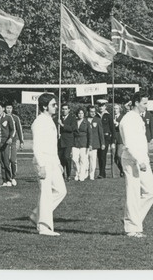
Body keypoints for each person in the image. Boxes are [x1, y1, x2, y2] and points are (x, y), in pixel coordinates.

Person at [120, 91, 153, 238]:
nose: (146, 106)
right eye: (144, 103)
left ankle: (130, 220)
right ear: (136, 103)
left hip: (141, 160)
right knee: (133, 193)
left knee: (152, 191)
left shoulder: (137, 118)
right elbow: (129, 144)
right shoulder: (129, 119)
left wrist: (144, 160)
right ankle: (131, 228)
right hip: (132, 160)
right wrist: (139, 160)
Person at [29, 93, 67, 236]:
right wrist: (41, 166)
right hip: (43, 160)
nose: (56, 107)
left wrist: (57, 163)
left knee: (61, 190)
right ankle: (44, 227)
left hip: (52, 160)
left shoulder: (50, 120)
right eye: (53, 104)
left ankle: (37, 214)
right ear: (45, 106)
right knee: (45, 193)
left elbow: (52, 145)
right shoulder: (39, 122)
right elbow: (37, 146)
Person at [0, 103, 16, 186]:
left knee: (6, 162)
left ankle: (10, 178)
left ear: (3, 109)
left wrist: (11, 138)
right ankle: (3, 180)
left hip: (6, 143)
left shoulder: (8, 117)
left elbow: (13, 129)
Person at [85, 105, 105, 180]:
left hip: (95, 143)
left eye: (94, 112)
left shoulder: (98, 120)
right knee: (85, 160)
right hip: (85, 143)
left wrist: (102, 143)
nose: (93, 113)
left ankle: (92, 176)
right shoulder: (84, 119)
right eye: (91, 111)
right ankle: (85, 174)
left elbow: (101, 132)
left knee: (93, 161)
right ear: (88, 112)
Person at [58, 104, 77, 180]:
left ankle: (68, 174)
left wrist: (62, 125)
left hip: (68, 141)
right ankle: (62, 175)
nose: (64, 110)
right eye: (62, 109)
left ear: (69, 110)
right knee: (60, 159)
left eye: (66, 109)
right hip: (60, 141)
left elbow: (72, 128)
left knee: (66, 157)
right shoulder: (58, 117)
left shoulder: (72, 118)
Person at [95, 99, 113, 178]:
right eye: (99, 106)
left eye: (102, 106)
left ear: (105, 106)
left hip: (105, 138)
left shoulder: (108, 116)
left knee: (103, 155)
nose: (101, 107)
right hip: (98, 138)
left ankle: (102, 173)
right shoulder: (96, 116)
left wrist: (113, 141)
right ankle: (102, 172)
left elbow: (112, 129)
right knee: (99, 155)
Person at [72, 108, 90, 181]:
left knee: (83, 160)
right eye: (79, 113)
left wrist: (89, 144)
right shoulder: (74, 122)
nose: (80, 115)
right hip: (75, 143)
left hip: (84, 143)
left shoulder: (87, 122)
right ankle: (77, 173)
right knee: (74, 159)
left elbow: (90, 134)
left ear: (84, 114)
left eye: (82, 113)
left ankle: (81, 175)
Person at [112, 103, 126, 178]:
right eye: (114, 108)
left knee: (119, 155)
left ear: (119, 109)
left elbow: (125, 126)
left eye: (116, 108)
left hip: (120, 138)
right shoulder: (111, 117)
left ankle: (123, 169)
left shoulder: (123, 117)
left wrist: (117, 123)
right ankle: (120, 171)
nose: (115, 110)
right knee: (114, 157)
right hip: (113, 138)